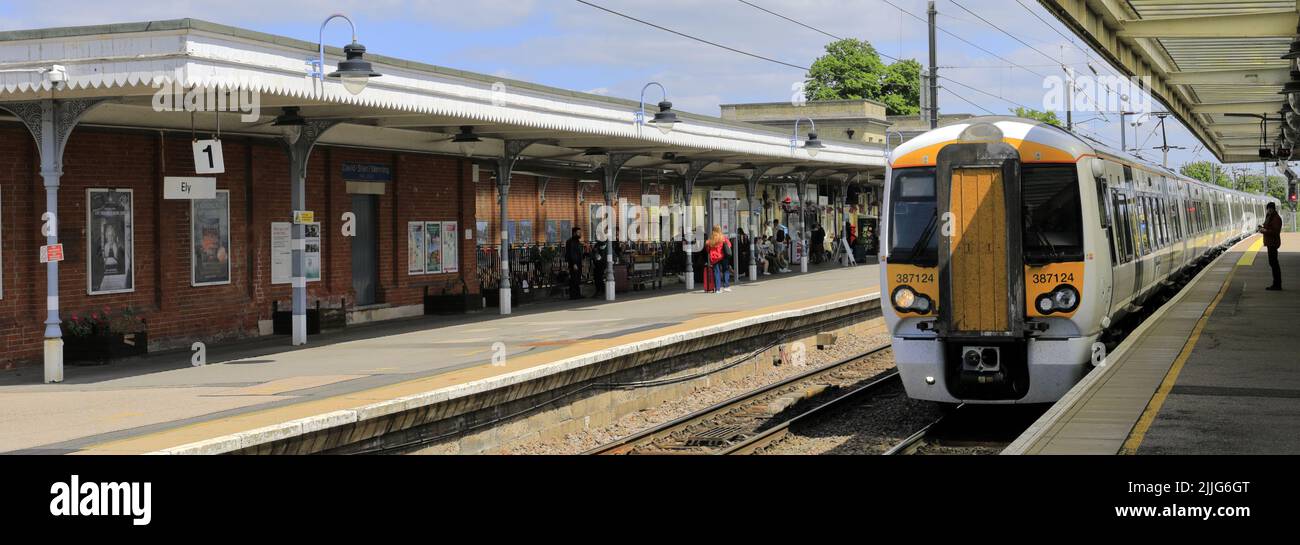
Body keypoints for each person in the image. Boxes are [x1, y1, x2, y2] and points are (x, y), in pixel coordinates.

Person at [1261, 202, 1283, 290]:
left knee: (1274, 264)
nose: (1268, 211)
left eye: (1269, 209)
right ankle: (1276, 283)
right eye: (1268, 209)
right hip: (1270, 243)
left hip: (1273, 243)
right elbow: (1269, 227)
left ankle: (1277, 284)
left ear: (1273, 209)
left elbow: (1275, 231)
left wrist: (1264, 231)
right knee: (1273, 263)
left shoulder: (1276, 218)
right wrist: (1262, 228)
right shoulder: (1270, 217)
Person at [706, 225, 732, 293]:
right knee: (726, 270)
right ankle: (726, 286)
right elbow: (729, 245)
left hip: (714, 257)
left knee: (716, 272)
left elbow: (708, 249)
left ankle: (717, 289)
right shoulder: (723, 237)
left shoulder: (710, 239)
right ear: (720, 229)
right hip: (722, 256)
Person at [565, 227, 584, 299]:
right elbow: (572, 253)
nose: (580, 234)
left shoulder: (576, 241)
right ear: (574, 233)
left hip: (577, 262)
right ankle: (574, 295)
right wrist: (574, 263)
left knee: (577, 278)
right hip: (574, 263)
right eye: (578, 232)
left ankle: (577, 294)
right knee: (574, 279)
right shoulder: (571, 241)